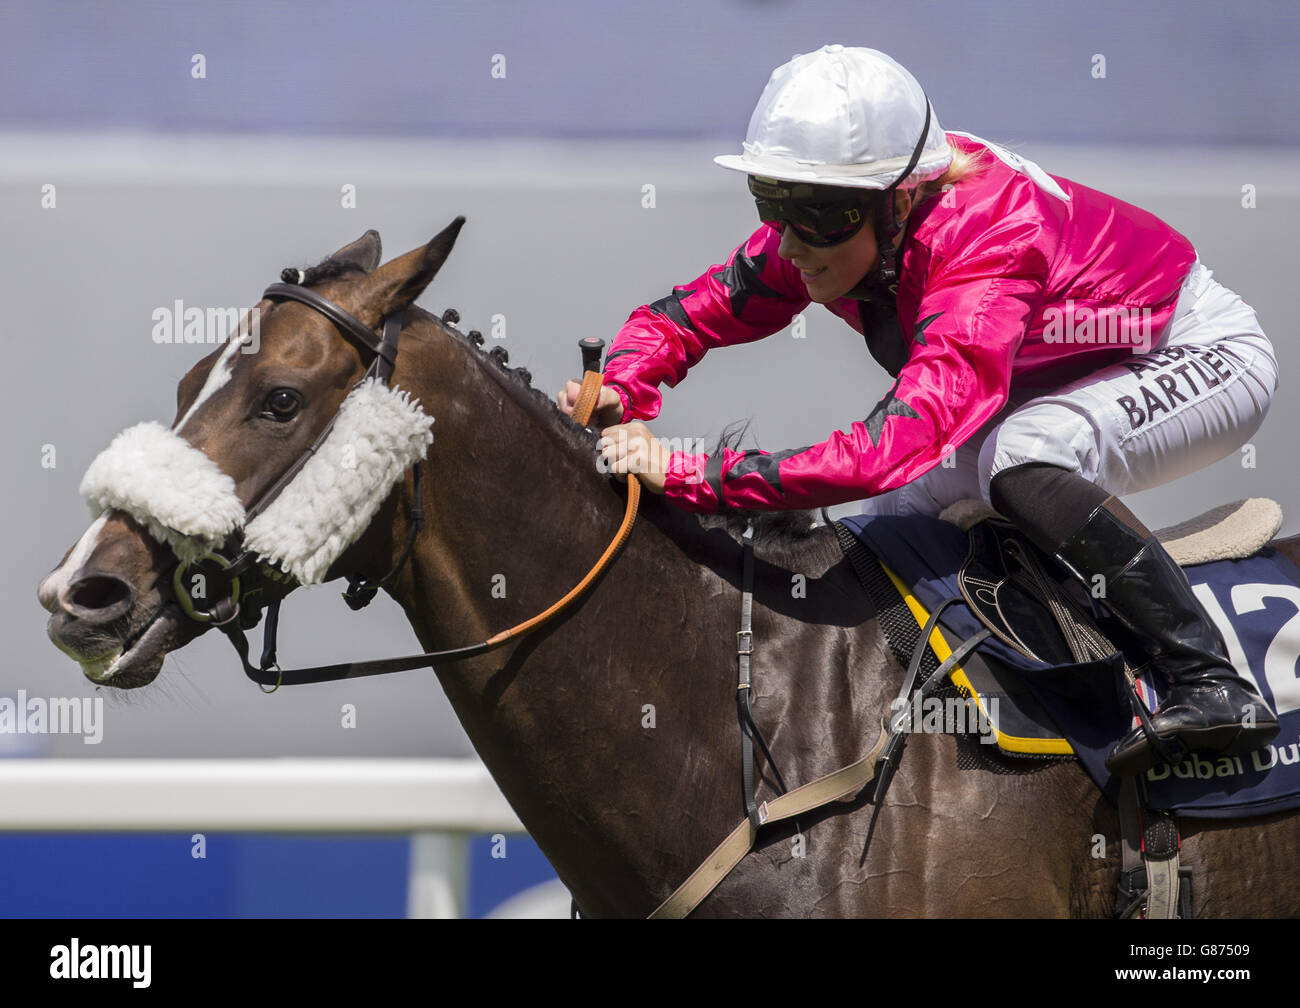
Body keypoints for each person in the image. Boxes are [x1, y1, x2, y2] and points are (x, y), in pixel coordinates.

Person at [556, 45, 1279, 776]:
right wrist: (622, 383)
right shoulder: (834, 225)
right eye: (775, 206)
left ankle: (1211, 681)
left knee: (1018, 457)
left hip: (1193, 348)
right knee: (876, 535)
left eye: (820, 217)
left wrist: (690, 470)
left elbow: (888, 449)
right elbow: (686, 315)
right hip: (1057, 374)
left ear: (900, 199)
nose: (795, 243)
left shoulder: (988, 244)